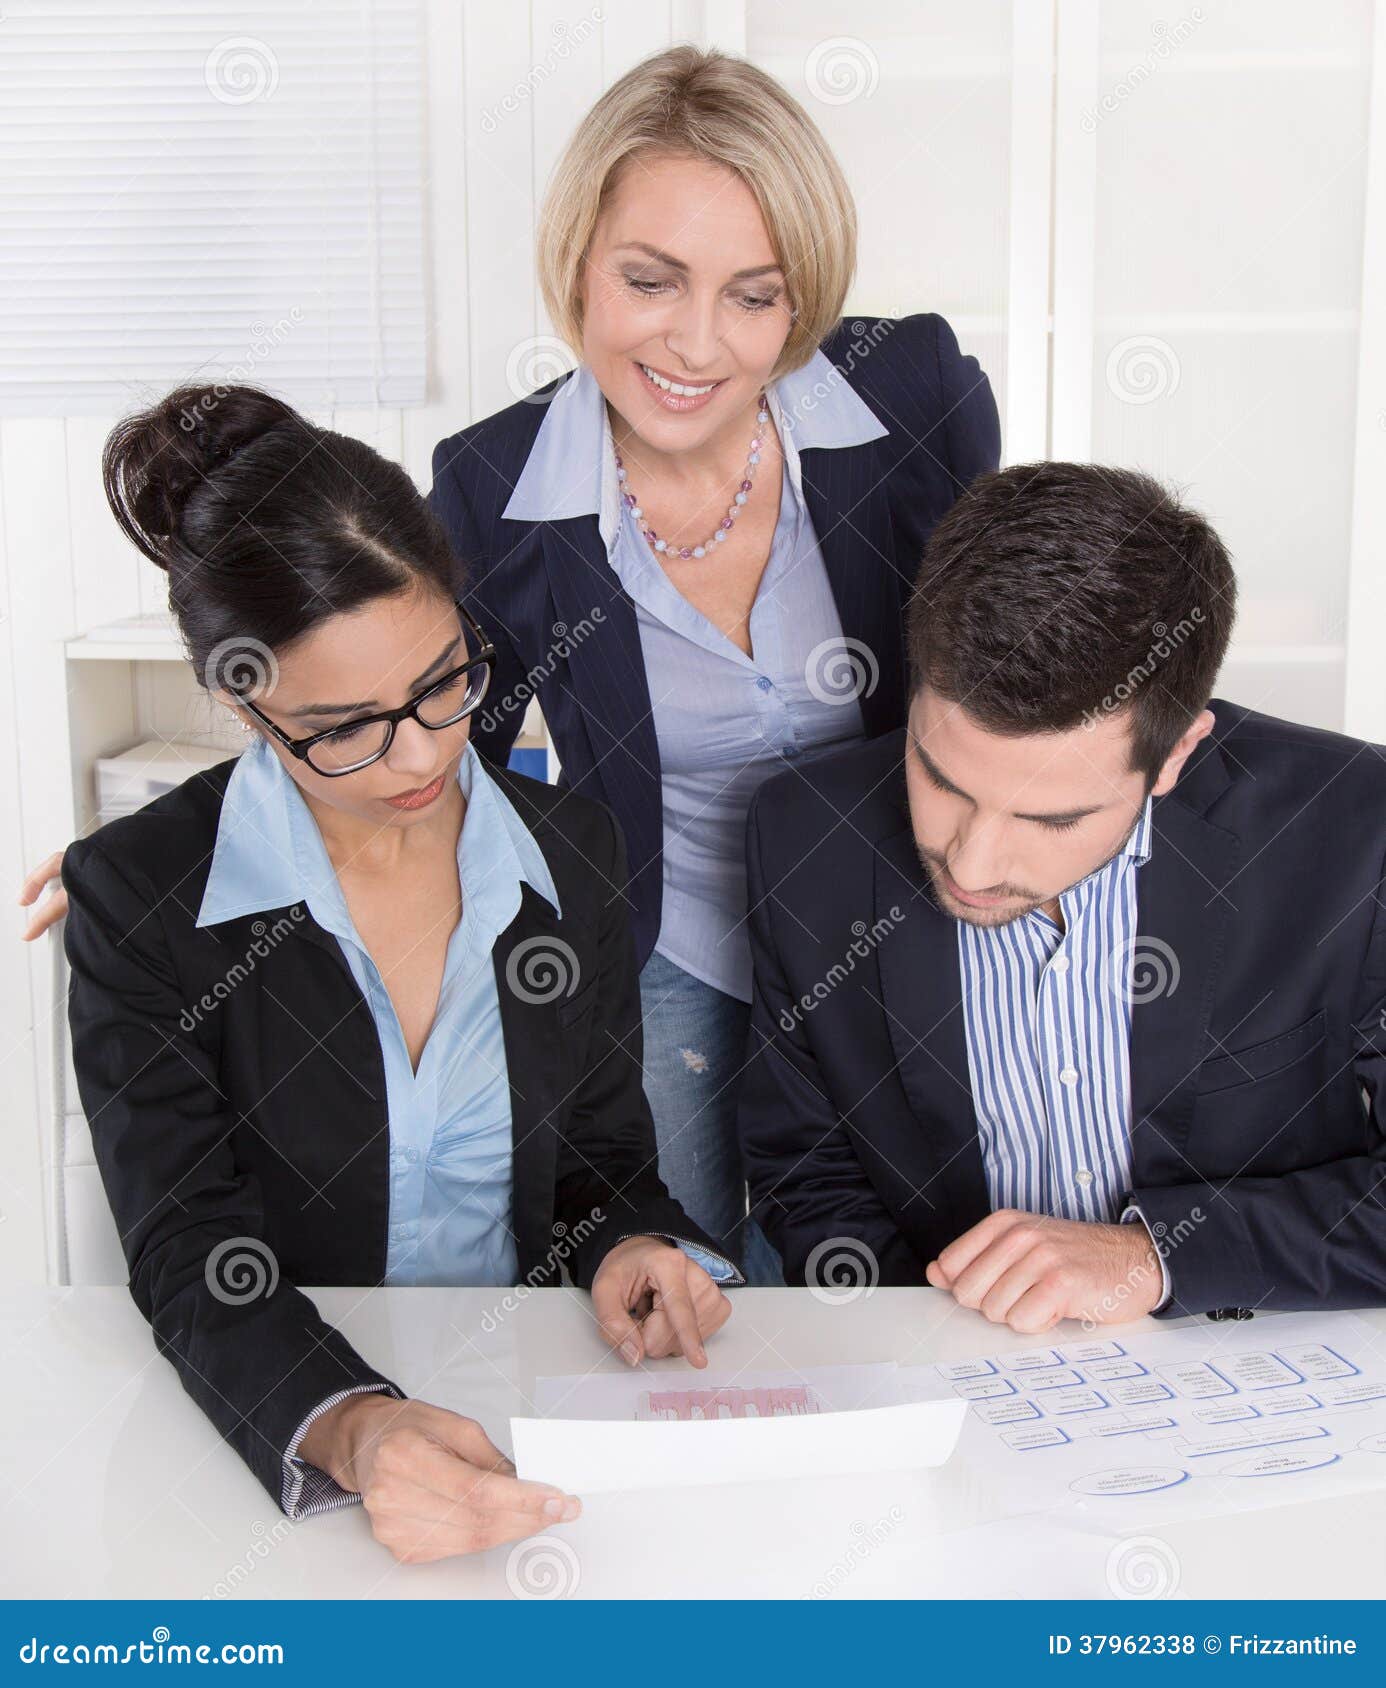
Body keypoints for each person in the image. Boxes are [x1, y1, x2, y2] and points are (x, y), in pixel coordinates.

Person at [63, 383, 739, 1564]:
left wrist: (633, 1244)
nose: (424, 754)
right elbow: (187, 1248)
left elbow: (601, 1161)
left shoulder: (570, 849)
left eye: (443, 681)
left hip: (539, 1424)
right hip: (278, 1443)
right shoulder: (143, 897)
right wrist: (358, 1428)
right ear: (242, 697)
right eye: (345, 727)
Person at [428, 46, 1000, 1274]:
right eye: (651, 279)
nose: (697, 344)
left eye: (755, 293)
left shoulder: (914, 401)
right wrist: (205, 836)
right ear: (579, 257)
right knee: (686, 1285)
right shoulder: (492, 485)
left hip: (901, 934)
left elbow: (1035, 647)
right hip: (668, 958)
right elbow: (418, 734)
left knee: (917, 1288)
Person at [738, 461, 1386, 1331]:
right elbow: (805, 1170)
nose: (970, 863)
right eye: (941, 778)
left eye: (1051, 818)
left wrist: (1156, 1257)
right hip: (966, 1381)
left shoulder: (1348, 828)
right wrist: (942, 1339)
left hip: (1257, 1374)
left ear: (1177, 755)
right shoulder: (801, 834)